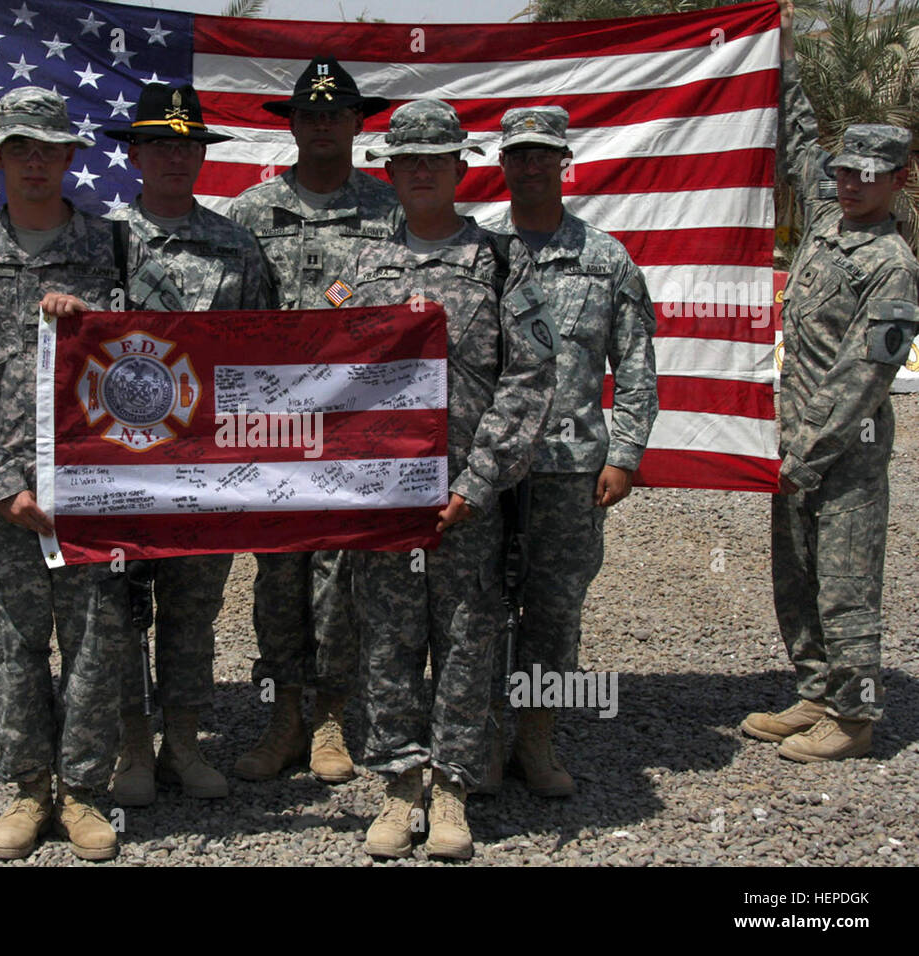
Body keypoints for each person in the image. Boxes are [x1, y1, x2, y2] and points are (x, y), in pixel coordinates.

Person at [343, 100, 557, 859]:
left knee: (468, 640)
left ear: (461, 169)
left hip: (466, 500)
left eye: (437, 160)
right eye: (409, 162)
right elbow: (324, 379)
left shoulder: (501, 263)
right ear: (391, 173)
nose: (423, 172)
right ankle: (401, 787)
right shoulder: (362, 266)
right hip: (385, 501)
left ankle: (456, 789)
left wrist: (478, 480)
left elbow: (529, 378)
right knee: (388, 643)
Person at [0, 87, 129, 860]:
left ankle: (82, 792)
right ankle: (26, 788)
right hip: (4, 498)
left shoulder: (111, 249)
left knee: (96, 643)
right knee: (11, 646)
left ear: (70, 156)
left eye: (48, 148)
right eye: (20, 149)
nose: (34, 162)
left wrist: (97, 325)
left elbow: (152, 361)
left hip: (92, 491)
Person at [82, 83, 274, 807]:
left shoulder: (236, 246)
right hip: (120, 463)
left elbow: (264, 356)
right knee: (123, 605)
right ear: (133, 154)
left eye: (185, 143)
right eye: (158, 142)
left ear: (201, 155)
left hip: (208, 467)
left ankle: (184, 745)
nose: (172, 155)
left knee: (193, 608)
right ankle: (132, 748)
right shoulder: (98, 243)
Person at [740, 0, 918, 762]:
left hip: (843, 446)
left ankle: (856, 715)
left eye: (867, 176)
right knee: (796, 574)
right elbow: (799, 139)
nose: (850, 184)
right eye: (846, 172)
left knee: (847, 585)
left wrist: (811, 446)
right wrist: (769, 45)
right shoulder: (823, 219)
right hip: (795, 440)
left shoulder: (892, 264)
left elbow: (866, 375)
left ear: (898, 180)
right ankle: (815, 689)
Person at [227, 55, 397, 784]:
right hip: (270, 436)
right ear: (291, 125)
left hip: (356, 435)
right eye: (310, 114)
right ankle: (281, 713)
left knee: (341, 578)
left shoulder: (394, 212)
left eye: (336, 114)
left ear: (358, 124)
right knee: (278, 579)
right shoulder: (248, 215)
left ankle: (331, 716)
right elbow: (221, 323)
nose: (322, 125)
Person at [483, 106, 658, 796]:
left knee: (556, 608)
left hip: (570, 467)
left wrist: (626, 452)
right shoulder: (480, 250)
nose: (530, 166)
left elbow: (636, 361)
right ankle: (486, 735)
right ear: (503, 165)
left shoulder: (604, 257)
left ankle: (538, 736)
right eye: (518, 155)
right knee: (482, 604)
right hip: (491, 465)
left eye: (542, 155)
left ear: (565, 163)